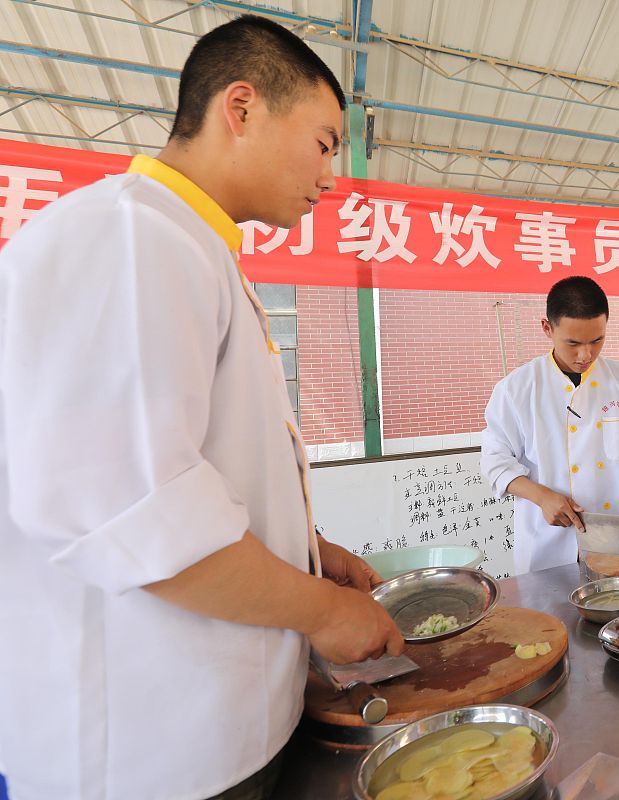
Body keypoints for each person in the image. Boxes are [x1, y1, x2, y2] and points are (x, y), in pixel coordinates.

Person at [0, 16, 405, 800]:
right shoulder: (129, 237)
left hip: (219, 732)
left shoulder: (193, 250)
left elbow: (198, 466)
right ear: (242, 108)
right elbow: (132, 507)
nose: (331, 176)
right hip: (148, 755)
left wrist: (304, 543)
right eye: (324, 142)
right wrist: (323, 611)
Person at [481, 277, 619, 574]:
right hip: (546, 545)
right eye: (573, 343)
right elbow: (495, 461)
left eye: (597, 340)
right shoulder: (516, 389)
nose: (586, 355)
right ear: (547, 328)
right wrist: (541, 496)